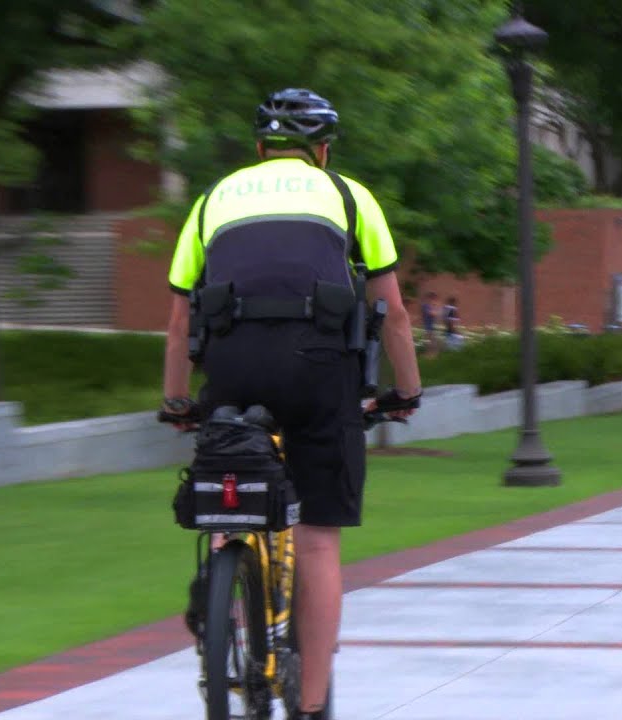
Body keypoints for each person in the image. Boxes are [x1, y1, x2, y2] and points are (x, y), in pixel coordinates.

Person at [159, 88, 422, 720]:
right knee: (319, 543)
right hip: (318, 371)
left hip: (232, 370)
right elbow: (395, 315)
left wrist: (177, 402)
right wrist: (406, 392)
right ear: (322, 150)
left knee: (232, 494)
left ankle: (226, 567)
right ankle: (308, 708)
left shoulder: (210, 202)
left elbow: (176, 321)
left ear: (258, 149)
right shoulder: (349, 197)